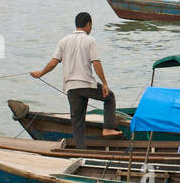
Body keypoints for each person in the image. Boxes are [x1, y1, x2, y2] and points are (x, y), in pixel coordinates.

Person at [32, 12, 121, 147]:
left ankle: (81, 152)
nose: (91, 28)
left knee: (78, 122)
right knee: (109, 97)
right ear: (88, 24)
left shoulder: (63, 41)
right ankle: (108, 128)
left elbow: (53, 63)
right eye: (91, 25)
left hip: (71, 87)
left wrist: (40, 73)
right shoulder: (90, 40)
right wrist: (104, 83)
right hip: (86, 84)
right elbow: (96, 63)